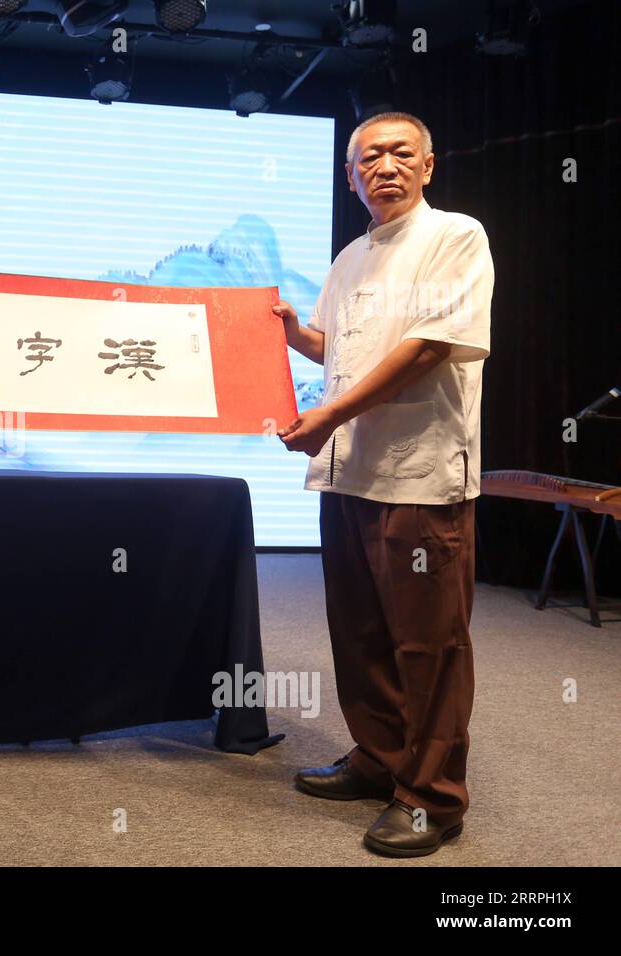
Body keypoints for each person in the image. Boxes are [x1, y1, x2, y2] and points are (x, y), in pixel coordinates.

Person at [273, 111, 494, 857]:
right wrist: (289, 337)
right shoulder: (350, 256)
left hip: (421, 477)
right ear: (350, 176)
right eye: (369, 158)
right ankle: (380, 759)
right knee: (361, 632)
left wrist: (329, 413)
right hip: (350, 475)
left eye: (402, 153)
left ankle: (433, 797)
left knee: (428, 645)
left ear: (429, 165)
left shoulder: (456, 237)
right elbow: (339, 347)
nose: (386, 166)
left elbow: (430, 345)